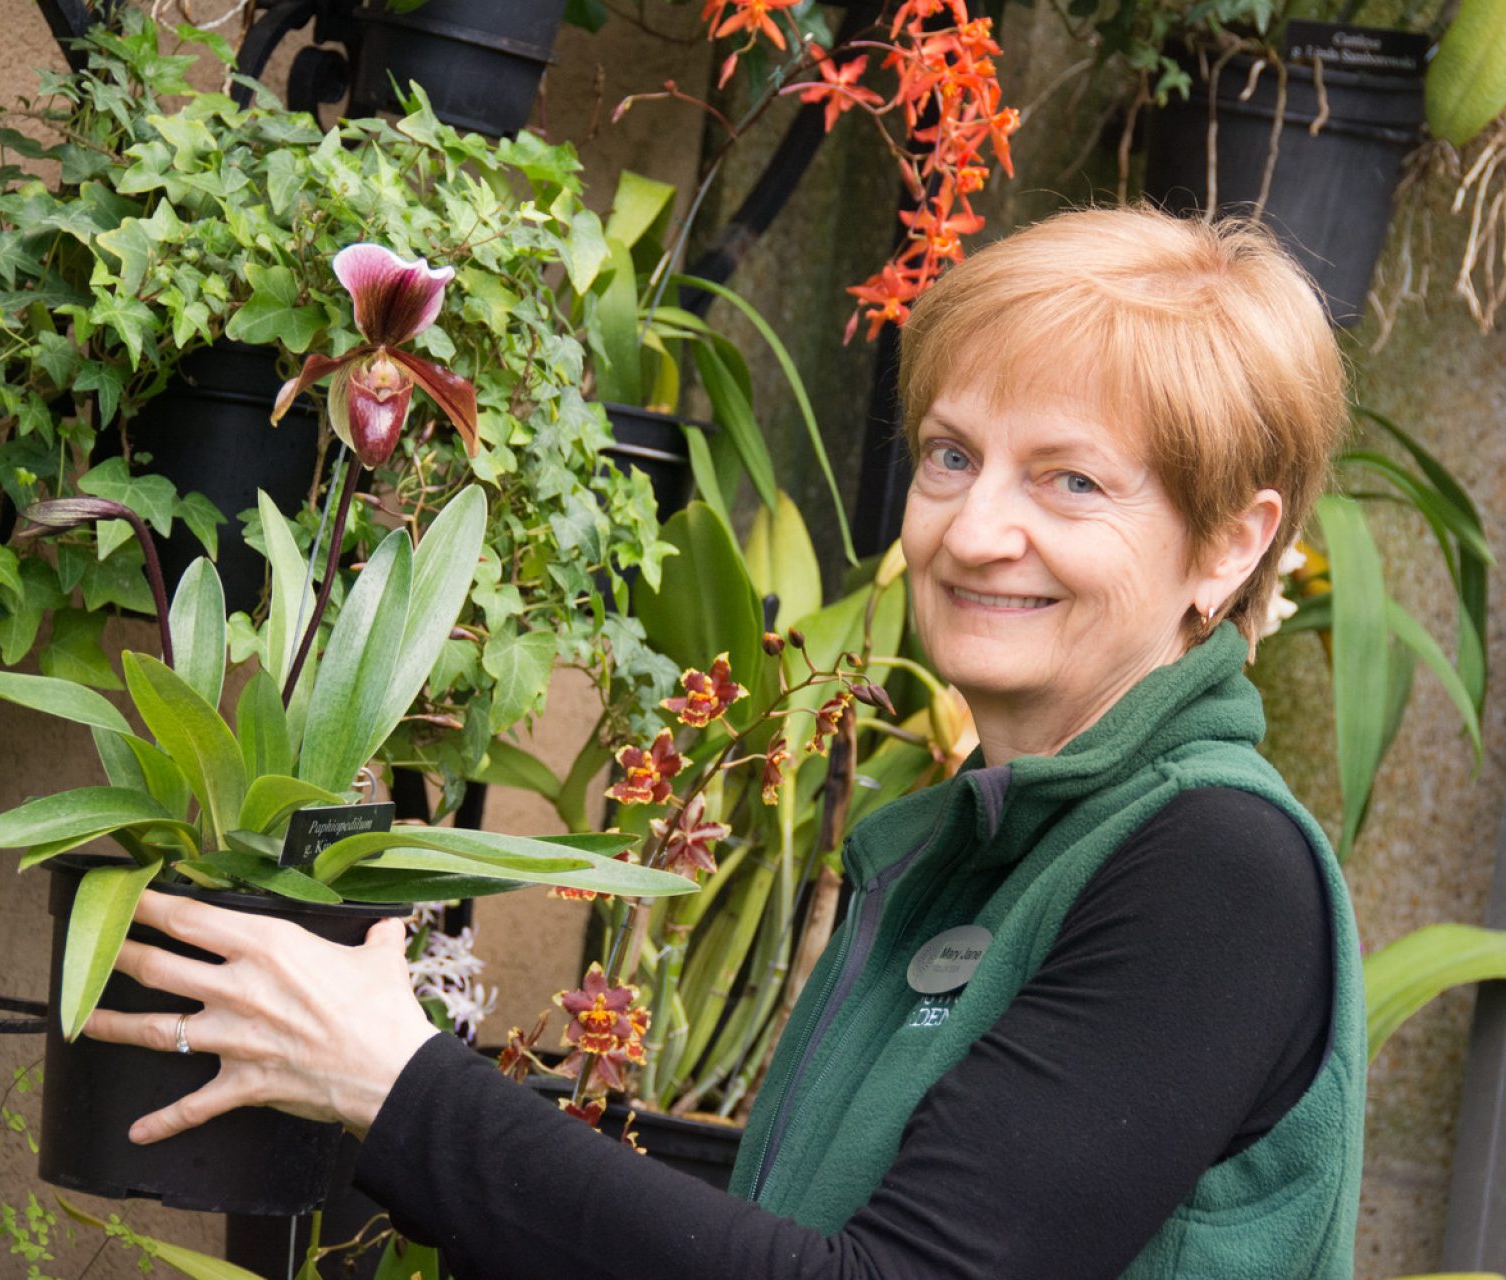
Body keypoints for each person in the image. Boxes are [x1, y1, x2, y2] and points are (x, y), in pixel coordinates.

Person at [85, 205, 1363, 1280]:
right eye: (950, 454)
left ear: (1229, 542)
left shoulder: (1213, 868)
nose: (974, 531)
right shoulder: (980, 840)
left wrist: (400, 1082)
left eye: (1070, 480)